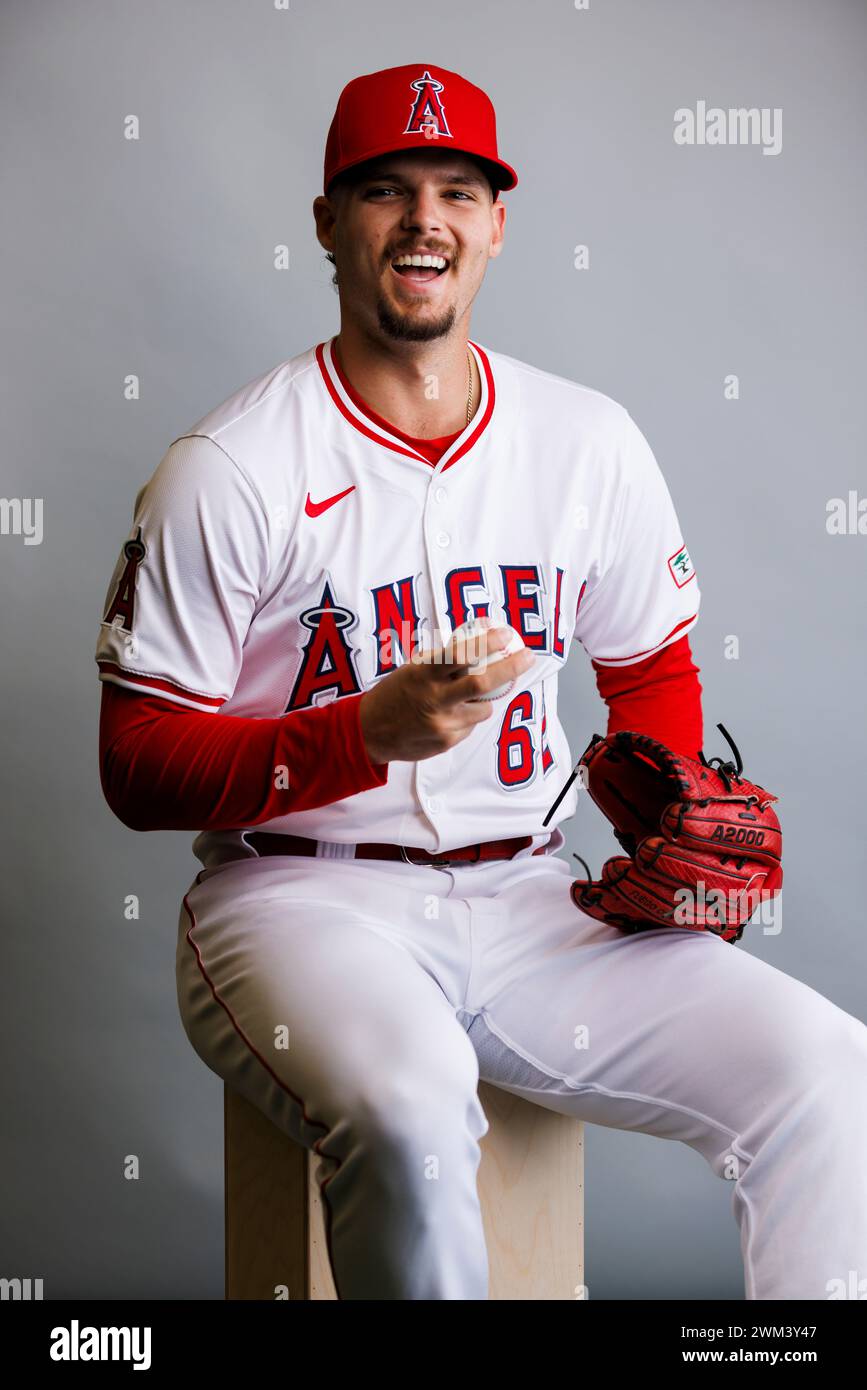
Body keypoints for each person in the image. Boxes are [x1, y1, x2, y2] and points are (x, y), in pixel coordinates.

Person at [95, 63, 867, 1300]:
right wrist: (361, 733)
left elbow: (650, 665)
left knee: (829, 1068)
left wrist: (659, 809)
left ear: (498, 224)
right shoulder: (231, 465)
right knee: (408, 1111)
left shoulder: (585, 440)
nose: (424, 221)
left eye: (458, 190)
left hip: (531, 903)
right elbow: (135, 767)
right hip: (300, 905)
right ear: (328, 222)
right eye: (387, 191)